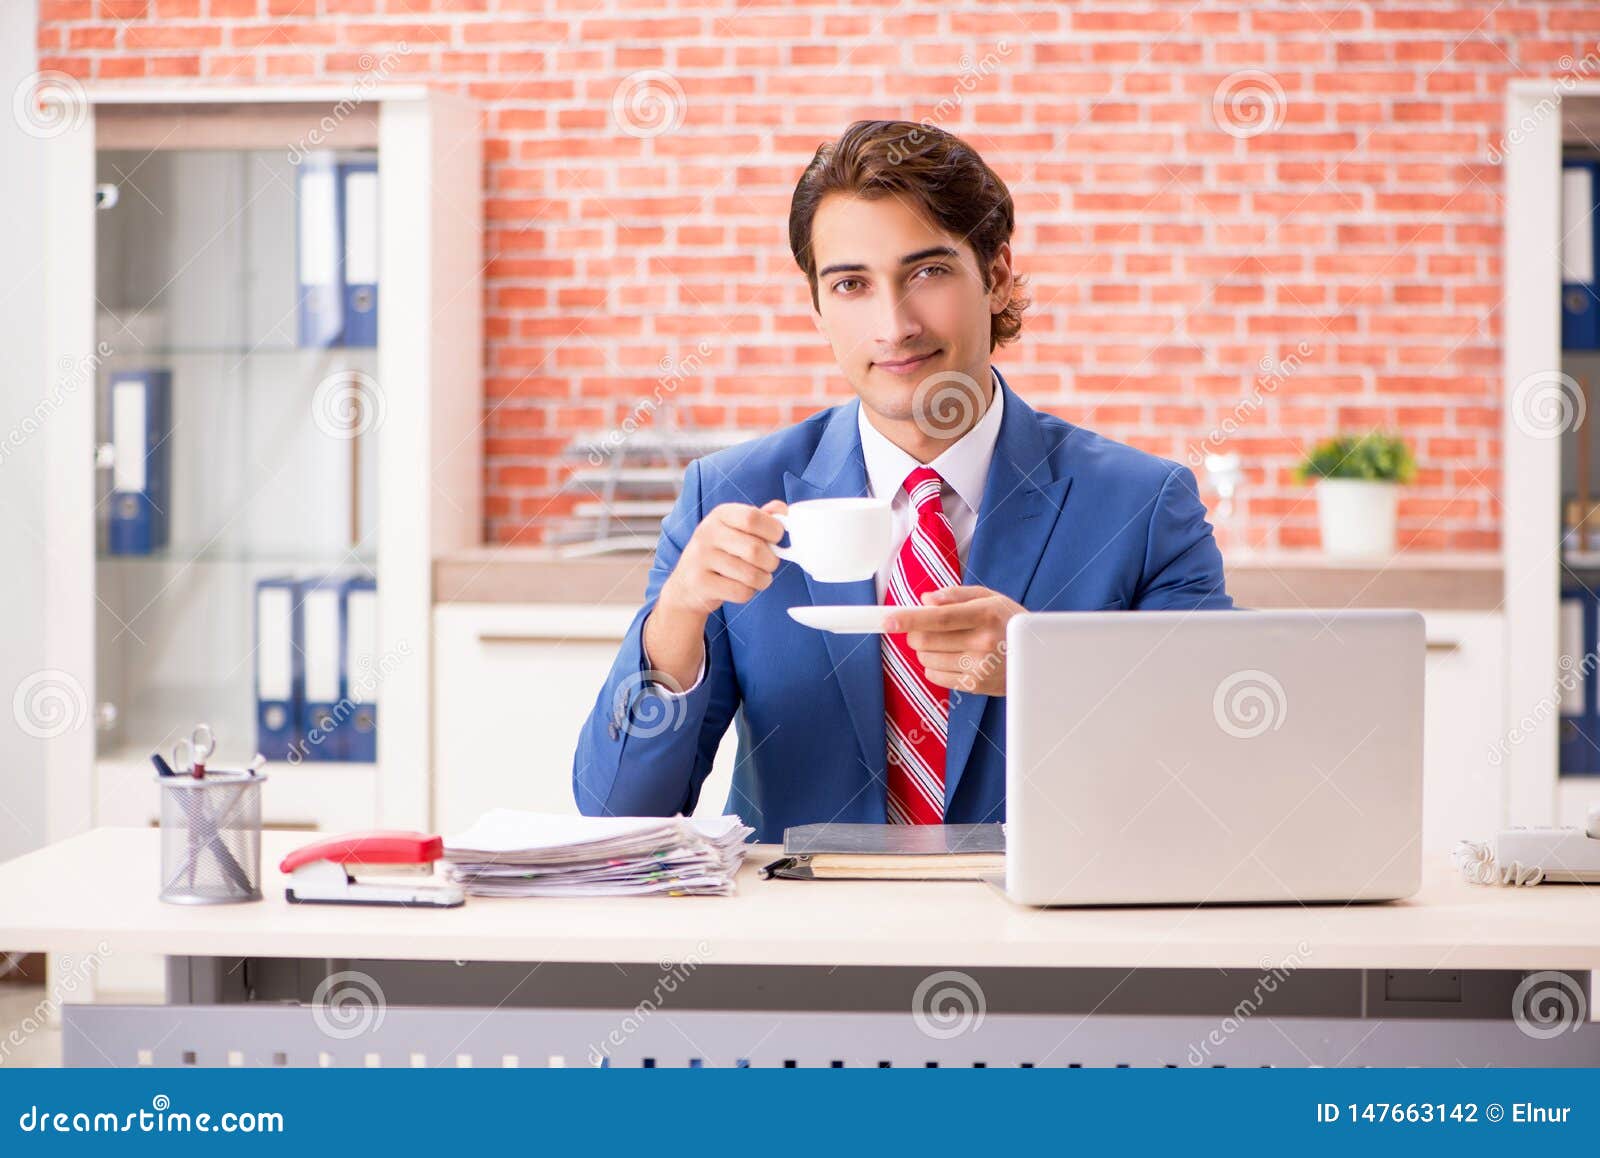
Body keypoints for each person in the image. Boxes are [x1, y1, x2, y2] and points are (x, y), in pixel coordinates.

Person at [574, 119, 1233, 842]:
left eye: (927, 272)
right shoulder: (729, 494)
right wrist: (677, 619)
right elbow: (616, 815)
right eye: (851, 284)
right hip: (811, 936)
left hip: (1048, 936)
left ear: (999, 276)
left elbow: (1226, 761)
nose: (893, 326)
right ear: (819, 307)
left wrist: (1054, 674)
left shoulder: (1140, 506)